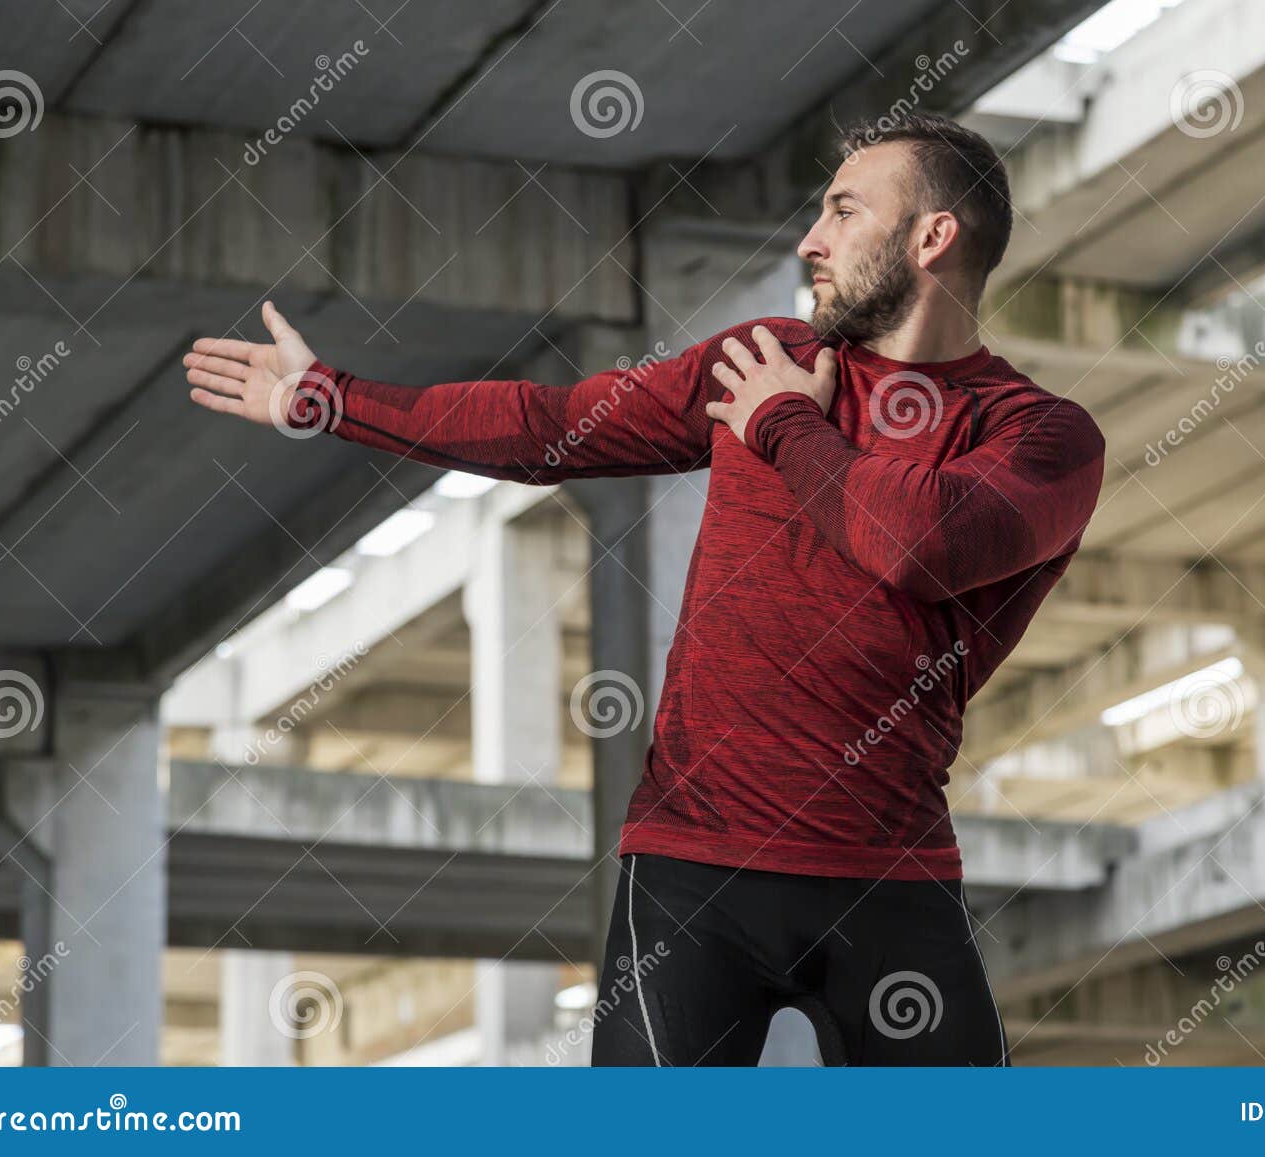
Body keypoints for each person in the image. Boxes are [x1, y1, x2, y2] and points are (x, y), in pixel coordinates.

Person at [183, 112, 1105, 1066]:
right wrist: (332, 397)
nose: (810, 240)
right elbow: (552, 427)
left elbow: (916, 541)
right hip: (691, 874)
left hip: (891, 876)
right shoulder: (761, 360)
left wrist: (784, 424)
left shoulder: (1040, 435)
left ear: (932, 236)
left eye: (843, 210)